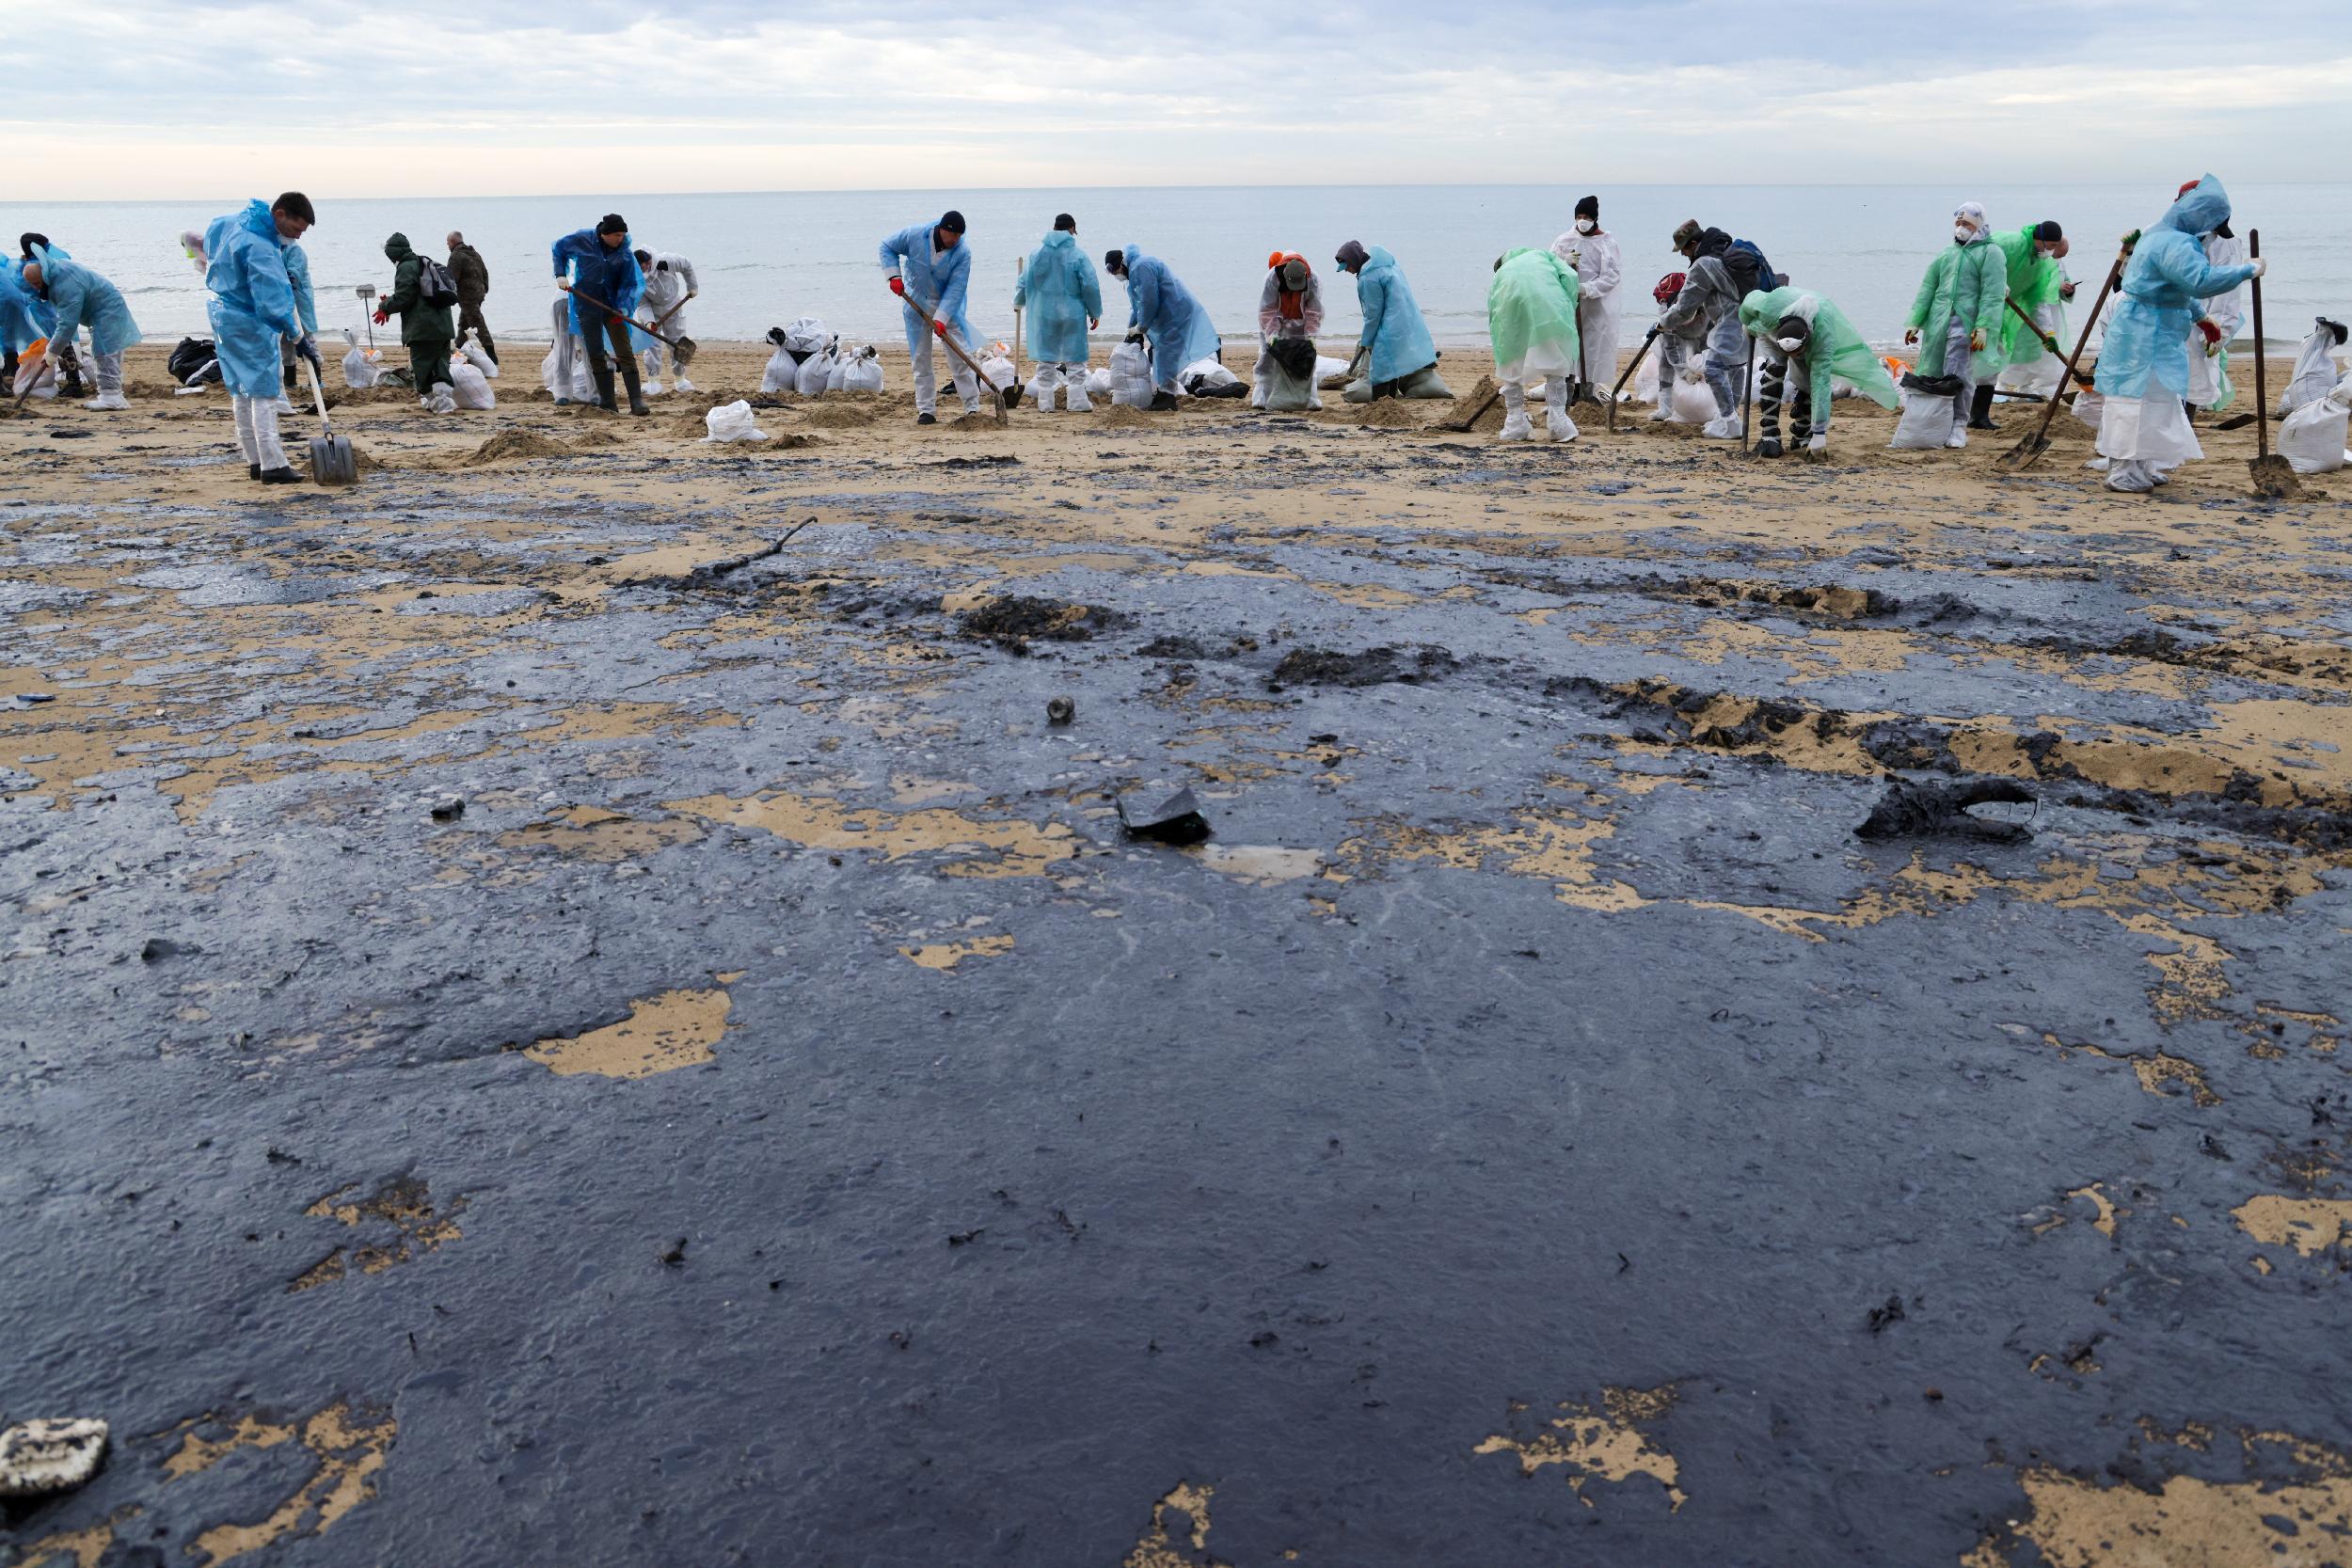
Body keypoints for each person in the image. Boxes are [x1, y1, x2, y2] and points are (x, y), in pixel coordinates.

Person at [2093, 174, 2261, 493]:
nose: (2212, 236)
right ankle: (2122, 469)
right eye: (2211, 227)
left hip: (2161, 331)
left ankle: (2145, 463)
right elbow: (2199, 280)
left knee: (2160, 398)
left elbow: (2174, 289)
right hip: (2140, 332)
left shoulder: (2165, 234)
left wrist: (2203, 318)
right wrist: (2247, 270)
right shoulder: (2173, 241)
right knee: (2131, 400)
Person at [201, 192, 316, 483]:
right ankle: (273, 465)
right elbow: (272, 303)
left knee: (241, 389)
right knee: (265, 392)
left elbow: (210, 242)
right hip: (249, 321)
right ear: (280, 215)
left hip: (222, 313)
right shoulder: (262, 248)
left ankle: (254, 460)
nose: (298, 238)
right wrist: (297, 337)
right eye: (296, 229)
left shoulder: (234, 223)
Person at [1739, 284, 1898, 459]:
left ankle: (1802, 435)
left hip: (1812, 332)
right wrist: (1747, 322)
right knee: (1774, 370)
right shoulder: (1768, 309)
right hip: (1772, 327)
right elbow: (1749, 302)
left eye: (1797, 353)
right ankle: (1770, 437)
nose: (1793, 357)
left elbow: (1820, 384)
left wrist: (1819, 433)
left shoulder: (1823, 337)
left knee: (1808, 383)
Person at [1899, 202, 2007, 450]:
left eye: (1966, 224)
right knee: (1934, 372)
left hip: (1966, 324)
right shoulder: (1947, 253)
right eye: (1958, 223)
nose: (1961, 228)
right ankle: (1939, 422)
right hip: (1939, 323)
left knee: (1959, 373)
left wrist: (1984, 326)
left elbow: (1993, 293)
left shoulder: (1991, 253)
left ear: (1978, 225)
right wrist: (1916, 321)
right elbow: (1928, 288)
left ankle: (1959, 424)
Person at [879, 210, 980, 425]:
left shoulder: (963, 253)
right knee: (921, 359)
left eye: (960, 236)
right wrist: (894, 276)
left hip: (947, 308)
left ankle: (972, 407)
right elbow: (887, 246)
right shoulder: (915, 235)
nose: (956, 240)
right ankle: (926, 410)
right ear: (943, 230)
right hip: (915, 304)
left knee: (960, 356)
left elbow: (956, 288)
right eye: (953, 235)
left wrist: (942, 318)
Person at [1649, 220, 1742, 436]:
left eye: (1683, 249)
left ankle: (1728, 421)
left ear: (1692, 243)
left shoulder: (1703, 265)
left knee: (1716, 369)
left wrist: (1662, 323)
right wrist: (1684, 370)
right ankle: (1729, 418)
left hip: (1727, 320)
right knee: (1735, 369)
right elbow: (1672, 347)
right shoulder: (1723, 253)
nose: (1683, 255)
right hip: (1744, 315)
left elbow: (1684, 309)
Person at [22, 245, 142, 413]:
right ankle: (113, 395)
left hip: (107, 309)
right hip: (105, 308)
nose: (35, 288)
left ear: (42, 273)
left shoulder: (64, 285)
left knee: (105, 352)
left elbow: (67, 324)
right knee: (107, 352)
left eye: (35, 283)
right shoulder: (57, 269)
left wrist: (52, 351)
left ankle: (111, 397)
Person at [552, 214, 649, 416]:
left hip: (613, 308)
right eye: (616, 235)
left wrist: (623, 307)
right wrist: (560, 274)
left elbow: (630, 283)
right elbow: (559, 248)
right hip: (586, 304)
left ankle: (636, 402)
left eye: (623, 235)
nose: (620, 239)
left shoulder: (624, 253)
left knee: (624, 351)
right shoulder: (583, 239)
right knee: (595, 352)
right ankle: (607, 402)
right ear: (604, 234)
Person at [1104, 245, 1219, 412]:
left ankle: (1167, 398)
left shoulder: (1141, 267)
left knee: (1167, 354)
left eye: (1114, 272)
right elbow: (1137, 306)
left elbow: (1149, 300)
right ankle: (1164, 392)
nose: (1116, 276)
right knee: (1162, 353)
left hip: (1176, 313)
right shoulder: (1133, 273)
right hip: (1169, 315)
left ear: (1120, 265)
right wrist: (1131, 329)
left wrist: (1142, 327)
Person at [1333, 240, 1448, 402]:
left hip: (1389, 327)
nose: (1348, 272)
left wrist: (1367, 340)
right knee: (1393, 367)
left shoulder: (1368, 278)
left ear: (1354, 260)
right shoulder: (1386, 267)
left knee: (1380, 369)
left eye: (1347, 267)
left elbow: (1373, 314)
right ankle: (1390, 403)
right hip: (1406, 322)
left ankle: (1379, 407)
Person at [1486, 247, 1581, 442]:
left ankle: (1515, 425)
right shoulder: (1542, 255)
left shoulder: (1502, 274)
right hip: (1549, 309)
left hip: (1510, 312)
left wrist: (1501, 337)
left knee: (1512, 365)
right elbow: (1570, 276)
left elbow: (1493, 307)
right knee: (1555, 367)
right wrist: (1570, 304)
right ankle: (1558, 425)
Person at [1979, 220, 2067, 425]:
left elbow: (2039, 301)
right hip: (1982, 302)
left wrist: (2049, 334)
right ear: (2040, 239)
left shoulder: (2040, 263)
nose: (2051, 252)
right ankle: (1976, 404)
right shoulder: (2011, 241)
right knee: (1977, 355)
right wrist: (1997, 282)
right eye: (2051, 246)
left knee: (1997, 354)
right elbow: (1981, 256)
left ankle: (1981, 414)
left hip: (2004, 307)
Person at [1015, 214, 1101, 412]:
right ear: (1071, 229)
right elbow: (1090, 285)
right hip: (1072, 313)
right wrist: (1094, 312)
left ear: (1054, 228)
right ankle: (1077, 402)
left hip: (1045, 314)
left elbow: (1024, 282)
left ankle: (1045, 403)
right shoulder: (1078, 255)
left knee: (1047, 357)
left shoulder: (1037, 254)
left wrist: (1018, 303)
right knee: (1075, 357)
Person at [2179, 182, 2247, 416]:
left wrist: (2219, 329)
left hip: (2199, 322)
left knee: (2193, 382)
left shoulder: (2225, 244)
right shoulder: (2177, 235)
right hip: (2173, 317)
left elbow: (2227, 292)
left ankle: (2182, 431)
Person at [374, 232, 457, 413]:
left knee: (423, 367)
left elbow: (404, 297)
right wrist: (390, 302)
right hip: (443, 326)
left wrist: (384, 306)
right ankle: (445, 402)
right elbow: (417, 294)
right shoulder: (423, 263)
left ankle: (436, 403)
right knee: (441, 364)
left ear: (393, 253)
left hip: (423, 329)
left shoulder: (405, 267)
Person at [1551, 196, 1621, 403]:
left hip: (1595, 306)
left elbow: (1611, 276)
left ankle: (1588, 391)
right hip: (1568, 305)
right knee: (1568, 348)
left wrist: (1586, 288)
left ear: (1594, 219)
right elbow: (1550, 265)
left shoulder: (1606, 243)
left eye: (1586, 216)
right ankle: (1568, 391)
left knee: (1593, 349)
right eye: (1579, 216)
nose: (1582, 220)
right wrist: (1564, 263)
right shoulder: (1564, 240)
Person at [1252, 252, 1323, 411]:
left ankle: (1309, 398)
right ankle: (1263, 397)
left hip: (1300, 320)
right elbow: (1267, 310)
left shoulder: (1313, 280)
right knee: (1267, 357)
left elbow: (1314, 310)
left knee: (1305, 358)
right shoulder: (1272, 278)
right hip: (1275, 318)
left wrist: (1311, 335)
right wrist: (1272, 334)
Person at [632, 248, 698, 394]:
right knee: (651, 344)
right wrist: (649, 322)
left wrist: (692, 287)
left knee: (678, 341)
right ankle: (653, 382)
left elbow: (686, 265)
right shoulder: (635, 278)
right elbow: (642, 303)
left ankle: (680, 380)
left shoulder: (668, 260)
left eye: (642, 267)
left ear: (648, 261)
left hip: (673, 305)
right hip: (653, 310)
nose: (640, 271)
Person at [446, 230, 495, 366]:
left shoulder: (456, 256)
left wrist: (446, 295)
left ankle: (491, 352)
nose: (447, 245)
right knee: (464, 323)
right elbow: (485, 272)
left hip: (468, 295)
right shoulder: (474, 253)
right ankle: (459, 349)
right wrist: (485, 288)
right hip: (479, 292)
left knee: (477, 322)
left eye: (448, 242)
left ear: (453, 242)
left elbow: (451, 279)